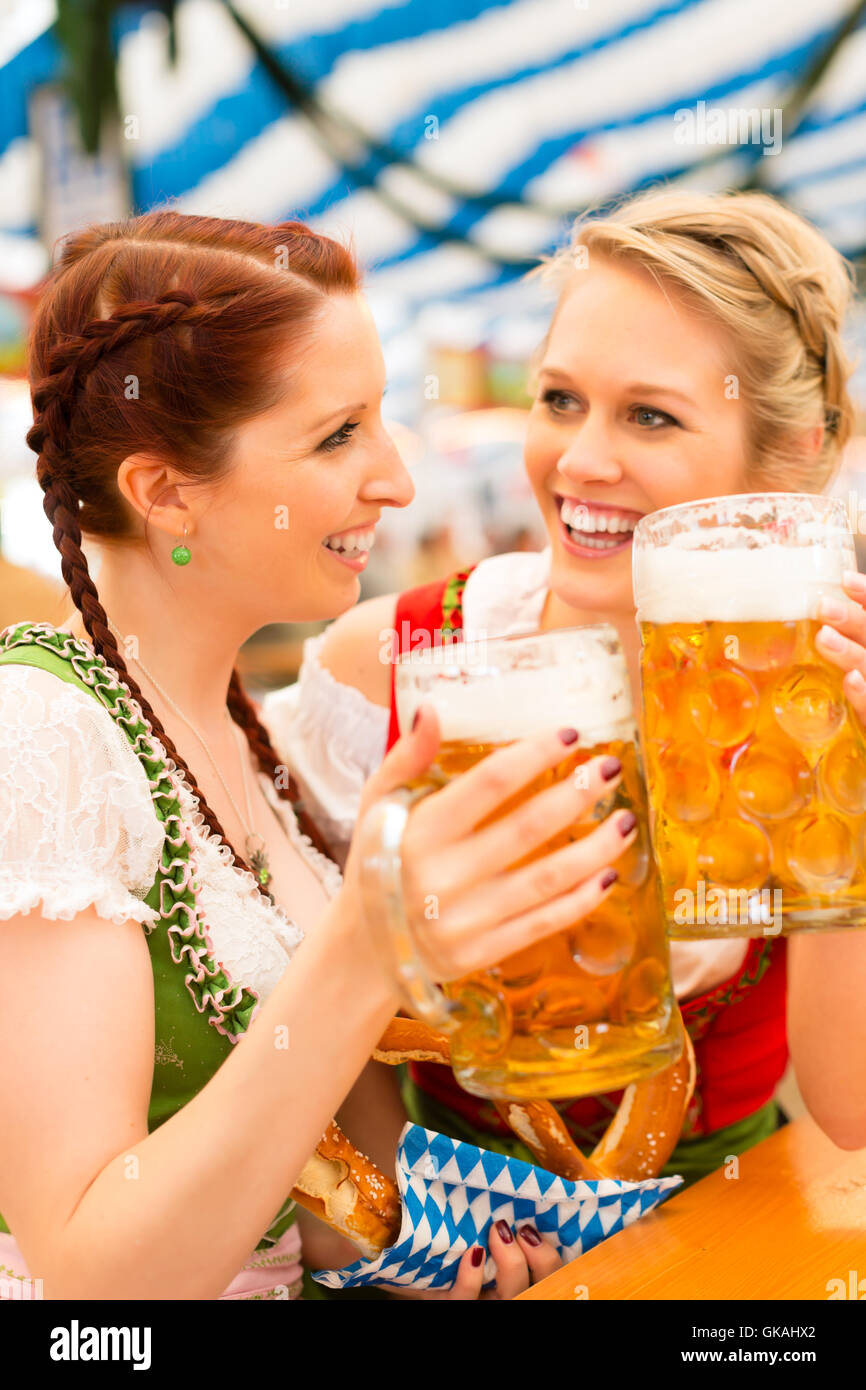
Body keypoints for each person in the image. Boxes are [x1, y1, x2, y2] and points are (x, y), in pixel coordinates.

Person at [0, 211, 639, 1300]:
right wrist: (367, 940)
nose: (393, 479)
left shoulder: (248, 734)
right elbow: (91, 1286)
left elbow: (311, 1176)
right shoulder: (44, 737)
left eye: (380, 421)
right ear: (164, 492)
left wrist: (412, 1257)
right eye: (337, 434)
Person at [270, 188, 864, 1181]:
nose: (580, 459)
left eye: (650, 416)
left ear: (790, 461)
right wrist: (422, 1242)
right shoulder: (383, 663)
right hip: (440, 1248)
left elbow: (846, 1110)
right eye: (558, 399)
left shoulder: (815, 699)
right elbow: (312, 1041)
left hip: (715, 1243)